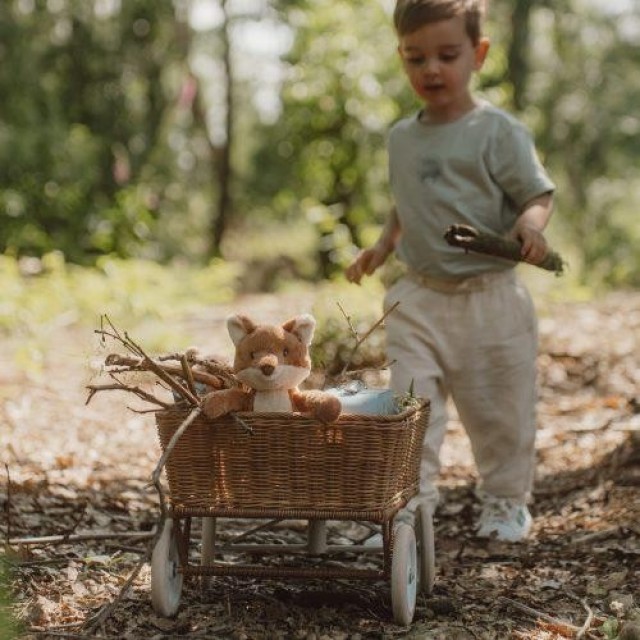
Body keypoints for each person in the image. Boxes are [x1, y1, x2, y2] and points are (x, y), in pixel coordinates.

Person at [346, 0, 555, 542]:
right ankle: (407, 507)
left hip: (492, 299)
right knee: (410, 407)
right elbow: (407, 202)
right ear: (401, 58)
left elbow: (535, 193)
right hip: (418, 298)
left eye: (446, 55)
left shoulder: (498, 131)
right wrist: (382, 245)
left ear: (478, 54)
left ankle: (506, 503)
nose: (431, 69)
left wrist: (531, 228)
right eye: (416, 58)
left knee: (502, 413)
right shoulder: (401, 138)